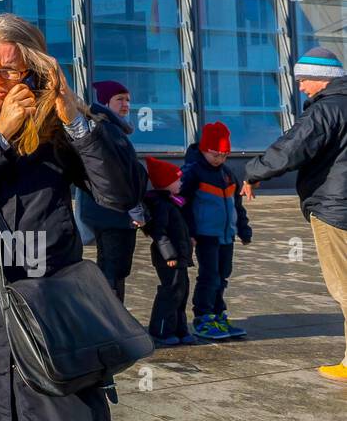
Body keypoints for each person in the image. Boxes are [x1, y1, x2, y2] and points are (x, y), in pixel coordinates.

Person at [0, 14, 145, 421]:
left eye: (9, 68)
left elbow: (120, 193)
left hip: (48, 303)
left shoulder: (59, 124)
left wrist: (75, 120)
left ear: (33, 69)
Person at [243, 46, 347, 382]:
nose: (300, 86)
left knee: (344, 287)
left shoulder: (326, 110)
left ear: (322, 78)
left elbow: (291, 147)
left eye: (303, 79)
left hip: (335, 209)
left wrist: (252, 172)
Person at [76, 80, 148, 302]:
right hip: (113, 211)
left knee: (113, 268)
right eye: (120, 99)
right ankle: (113, 323)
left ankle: (114, 320)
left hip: (112, 211)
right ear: (105, 102)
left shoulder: (112, 127)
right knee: (112, 270)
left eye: (127, 99)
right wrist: (135, 207)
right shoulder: (106, 128)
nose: (126, 104)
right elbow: (117, 173)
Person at [180, 121, 251, 342]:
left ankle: (219, 313)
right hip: (206, 235)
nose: (219, 159)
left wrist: (243, 228)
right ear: (204, 149)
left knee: (223, 275)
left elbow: (236, 204)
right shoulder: (193, 172)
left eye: (224, 155)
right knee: (209, 276)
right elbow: (184, 205)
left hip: (226, 235)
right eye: (215, 155)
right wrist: (190, 232)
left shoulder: (228, 173)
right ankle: (203, 316)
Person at [142, 157, 195, 347]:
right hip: (169, 259)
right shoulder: (161, 206)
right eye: (177, 180)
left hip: (180, 256)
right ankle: (161, 330)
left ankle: (180, 328)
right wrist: (170, 255)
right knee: (170, 292)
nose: (181, 182)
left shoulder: (173, 202)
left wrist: (188, 240)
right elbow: (160, 232)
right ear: (166, 184)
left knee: (181, 291)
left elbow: (178, 229)